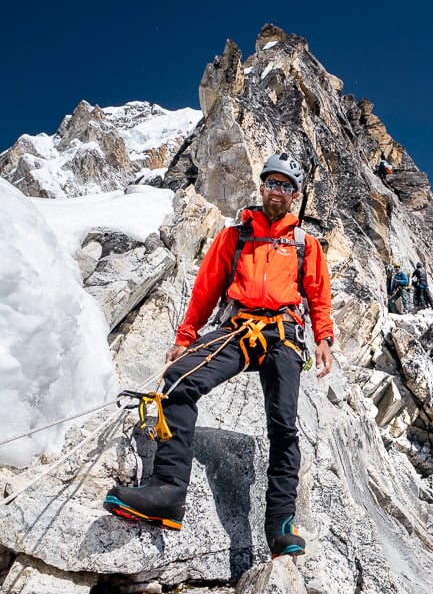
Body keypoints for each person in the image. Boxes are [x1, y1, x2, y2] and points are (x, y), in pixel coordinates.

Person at [104, 151, 334, 558]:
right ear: (261, 185)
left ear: (295, 195)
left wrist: (324, 338)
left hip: (283, 334)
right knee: (178, 380)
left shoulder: (304, 244)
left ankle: (280, 528)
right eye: (271, 182)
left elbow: (318, 295)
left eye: (286, 186)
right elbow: (206, 288)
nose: (277, 191)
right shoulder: (236, 235)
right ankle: (169, 491)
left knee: (283, 427)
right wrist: (186, 335)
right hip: (238, 327)